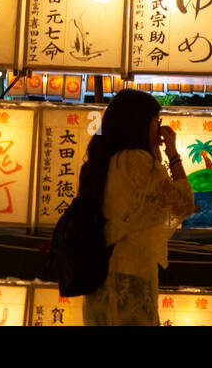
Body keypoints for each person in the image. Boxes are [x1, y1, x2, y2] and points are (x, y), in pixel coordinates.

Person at [80, 88, 196, 326]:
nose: (159, 129)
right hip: (130, 284)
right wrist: (172, 153)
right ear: (142, 124)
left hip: (97, 285)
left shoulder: (99, 163)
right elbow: (183, 204)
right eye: (157, 121)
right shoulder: (136, 162)